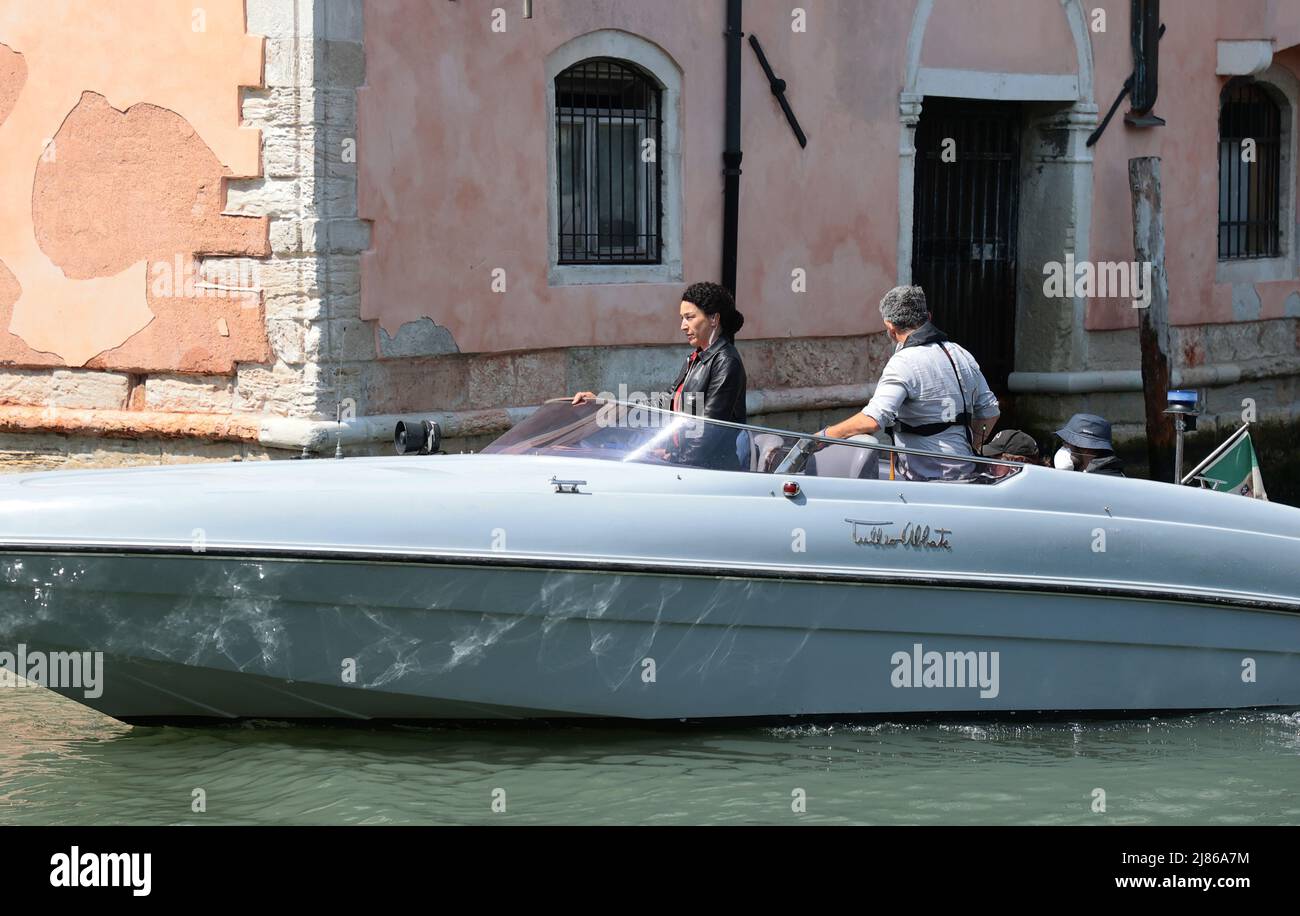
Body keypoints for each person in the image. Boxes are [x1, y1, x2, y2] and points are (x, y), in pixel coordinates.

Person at [815, 285, 1000, 480]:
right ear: (928, 317)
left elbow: (872, 420)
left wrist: (825, 435)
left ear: (890, 328)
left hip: (926, 483)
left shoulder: (903, 362)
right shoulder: (961, 353)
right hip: (966, 475)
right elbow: (990, 411)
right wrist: (972, 446)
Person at [572, 281, 748, 470]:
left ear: (714, 319)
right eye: (682, 318)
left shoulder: (726, 361)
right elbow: (665, 403)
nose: (683, 326)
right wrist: (604, 405)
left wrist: (678, 465)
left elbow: (708, 429)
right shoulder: (697, 358)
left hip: (710, 473)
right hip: (688, 467)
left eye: (689, 317)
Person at [1053, 414, 1126, 477]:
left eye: (1066, 443)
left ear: (1086, 448)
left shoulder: (1095, 482)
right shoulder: (1110, 472)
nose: (1063, 447)